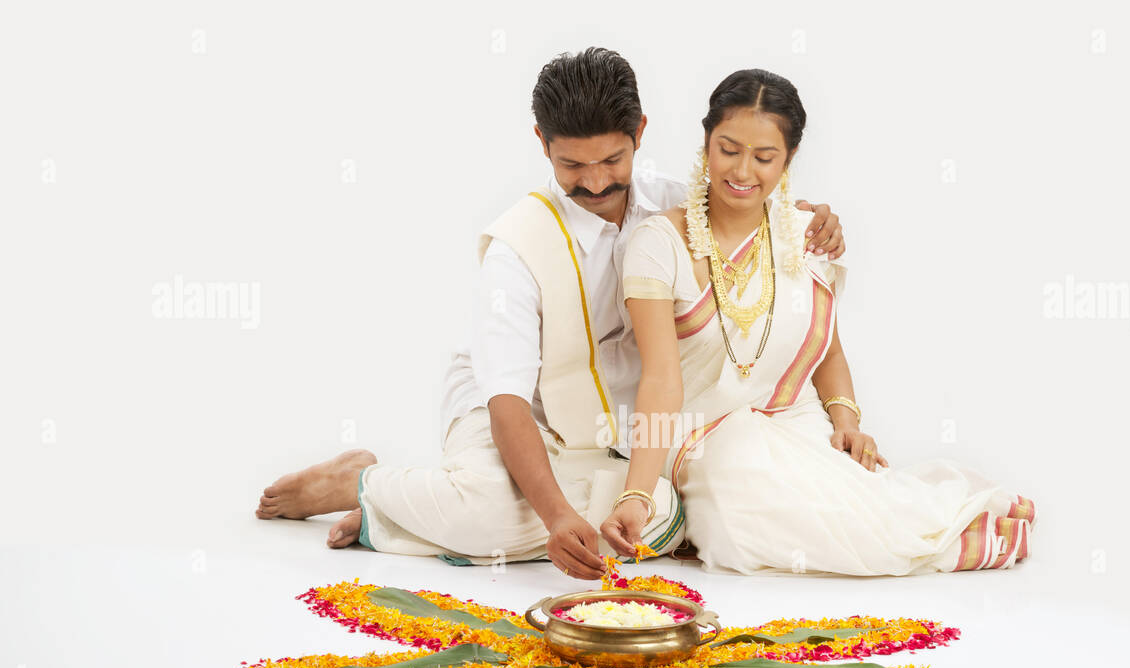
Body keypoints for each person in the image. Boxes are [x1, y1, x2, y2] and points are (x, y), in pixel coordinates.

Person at [254, 49, 846, 580]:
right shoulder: (516, 249)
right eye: (571, 166)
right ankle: (363, 484)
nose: (593, 183)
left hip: (620, 429)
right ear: (543, 143)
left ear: (639, 132)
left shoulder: (674, 203)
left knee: (670, 511)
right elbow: (507, 401)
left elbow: (755, 207)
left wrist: (815, 216)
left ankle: (401, 516)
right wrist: (558, 517)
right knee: (495, 508)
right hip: (518, 417)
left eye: (612, 160)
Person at [600, 68, 1036, 576]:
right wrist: (637, 492)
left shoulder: (806, 235)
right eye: (728, 149)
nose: (743, 171)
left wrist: (848, 424)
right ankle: (927, 535)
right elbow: (659, 378)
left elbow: (825, 348)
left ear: (789, 160)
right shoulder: (658, 243)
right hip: (701, 442)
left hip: (795, 421)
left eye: (764, 158)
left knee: (844, 498)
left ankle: (939, 527)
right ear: (705, 141)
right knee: (732, 518)